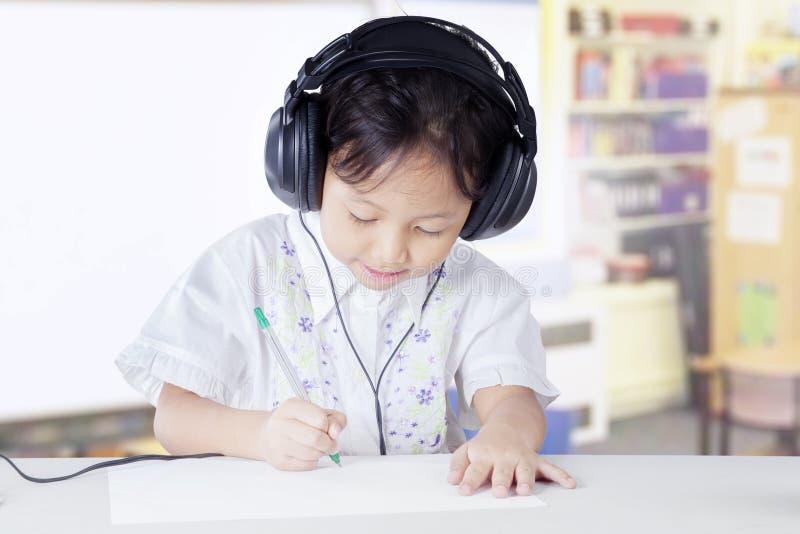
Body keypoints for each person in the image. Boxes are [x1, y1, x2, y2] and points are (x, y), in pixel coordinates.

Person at [115, 16, 576, 498]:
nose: (391, 251)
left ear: (484, 209)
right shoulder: (246, 264)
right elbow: (173, 418)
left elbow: (512, 400)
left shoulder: (475, 285)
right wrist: (259, 436)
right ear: (310, 168)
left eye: (430, 228)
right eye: (361, 216)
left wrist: (507, 436)